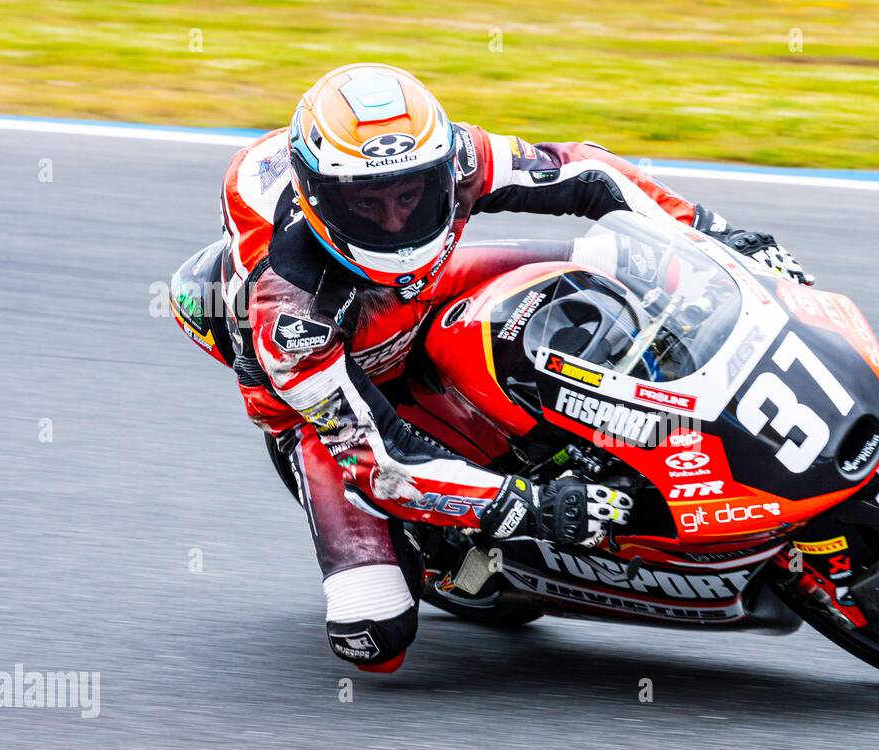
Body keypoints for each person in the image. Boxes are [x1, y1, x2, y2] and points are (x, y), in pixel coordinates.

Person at [215, 62, 811, 672]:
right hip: (320, 398)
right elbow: (383, 462)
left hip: (423, 293)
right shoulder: (289, 314)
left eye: (411, 195)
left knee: (620, 261)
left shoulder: (456, 157)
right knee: (374, 634)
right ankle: (455, 554)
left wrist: (716, 235)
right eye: (368, 203)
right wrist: (527, 502)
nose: (395, 221)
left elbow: (586, 172)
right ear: (322, 202)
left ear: (441, 170)